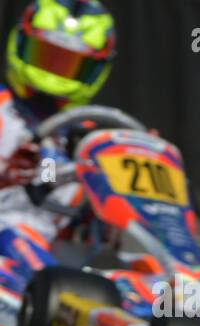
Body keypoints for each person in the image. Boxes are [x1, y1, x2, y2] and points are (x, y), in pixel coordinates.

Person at [0, 0, 115, 242]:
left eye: (68, 64)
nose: (54, 72)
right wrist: (6, 177)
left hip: (58, 261)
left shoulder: (89, 139)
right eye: (46, 56)